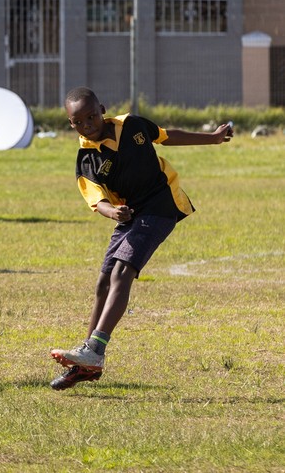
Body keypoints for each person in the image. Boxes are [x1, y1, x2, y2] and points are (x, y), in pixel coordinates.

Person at [50, 87, 233, 391]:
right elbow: (97, 202)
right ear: (71, 124)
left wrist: (212, 138)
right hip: (128, 215)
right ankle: (87, 363)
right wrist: (113, 212)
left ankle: (94, 350)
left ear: (102, 110)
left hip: (161, 204)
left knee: (122, 272)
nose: (87, 125)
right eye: (78, 122)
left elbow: (166, 136)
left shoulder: (132, 124)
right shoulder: (86, 160)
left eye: (91, 117)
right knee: (104, 282)